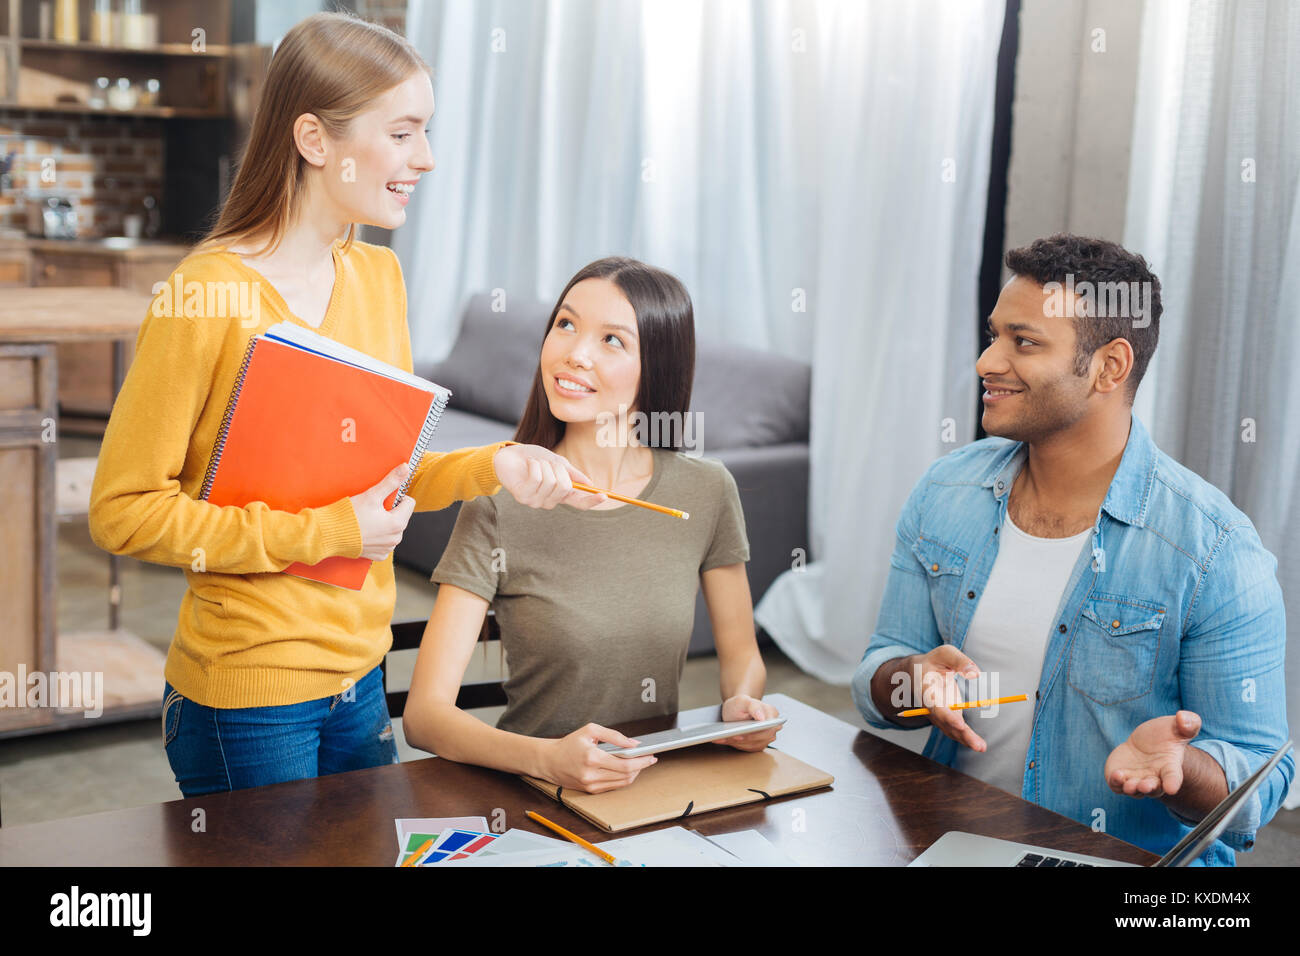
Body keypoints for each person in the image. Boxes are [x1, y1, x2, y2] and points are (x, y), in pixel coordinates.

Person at [87, 12, 607, 797]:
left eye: (425, 132)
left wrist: (495, 463)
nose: (425, 159)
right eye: (403, 133)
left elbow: (385, 475)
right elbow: (123, 511)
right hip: (249, 696)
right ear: (314, 139)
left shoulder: (377, 278)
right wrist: (326, 532)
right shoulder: (206, 294)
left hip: (361, 679)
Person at [850, 234, 1292, 865]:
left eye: (1023, 342)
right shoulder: (945, 491)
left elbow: (1262, 778)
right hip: (953, 842)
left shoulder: (1215, 552)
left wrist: (1182, 767)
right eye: (994, 334)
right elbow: (878, 675)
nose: (986, 361)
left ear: (1109, 367)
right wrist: (912, 681)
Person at [402, 257, 781, 793]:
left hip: (654, 791)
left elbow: (743, 657)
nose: (574, 354)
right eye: (566, 324)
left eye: (612, 341)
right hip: (534, 796)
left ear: (658, 367)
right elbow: (424, 717)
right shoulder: (500, 500)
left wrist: (742, 702)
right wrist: (546, 760)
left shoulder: (707, 490)